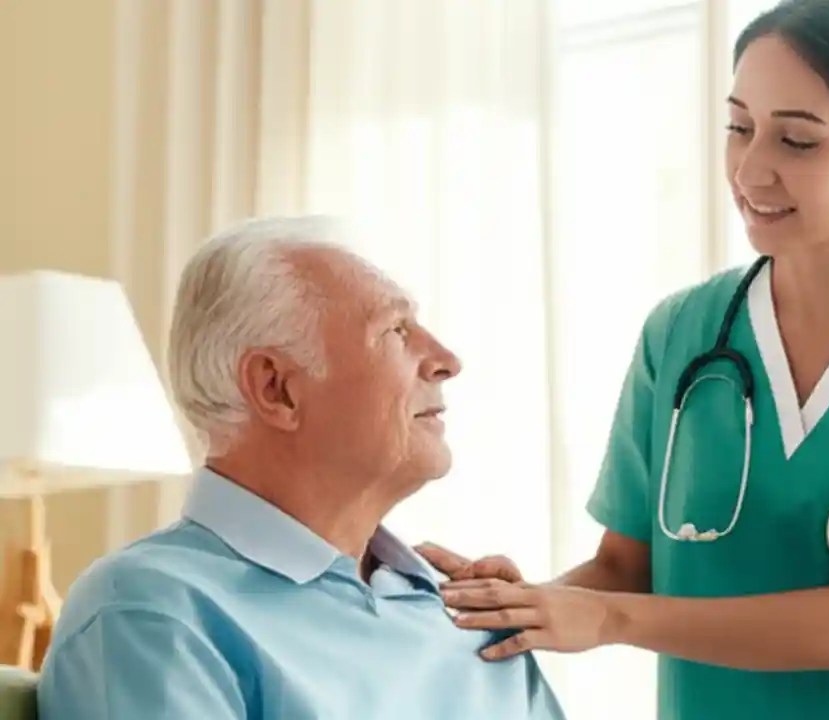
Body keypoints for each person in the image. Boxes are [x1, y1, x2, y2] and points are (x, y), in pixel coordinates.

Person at [420, 1, 829, 718]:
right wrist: (537, 604)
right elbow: (628, 568)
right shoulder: (682, 333)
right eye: (739, 128)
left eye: (797, 142)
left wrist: (606, 619)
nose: (751, 170)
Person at [37, 217, 565, 720]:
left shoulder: (477, 614)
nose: (447, 359)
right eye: (396, 331)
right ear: (277, 388)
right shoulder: (151, 610)